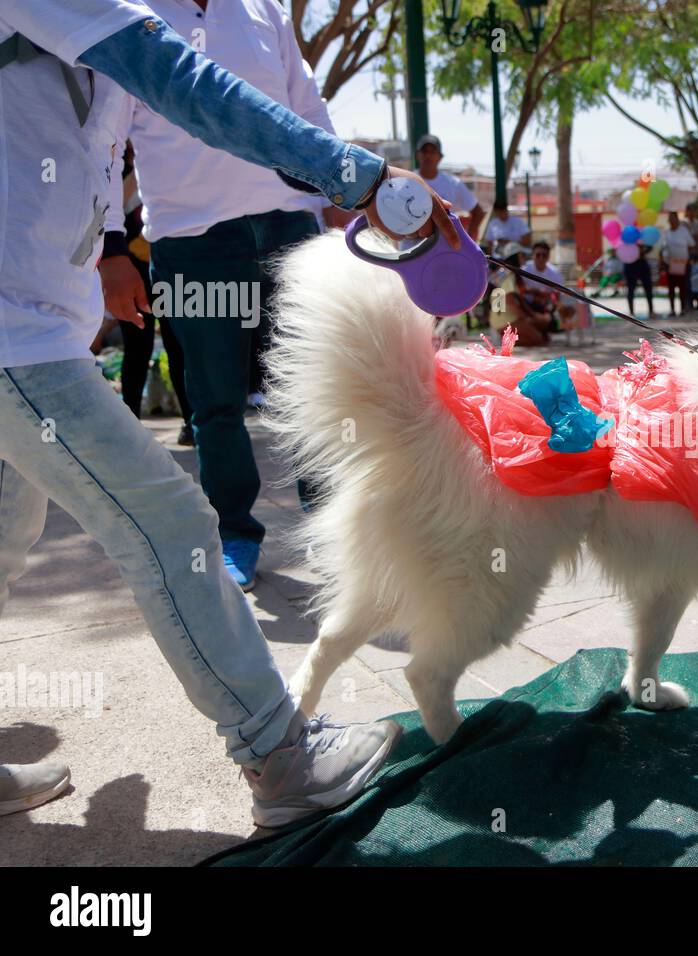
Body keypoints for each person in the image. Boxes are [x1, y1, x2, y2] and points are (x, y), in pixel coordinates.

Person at [0, 0, 461, 825]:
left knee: (1, 535)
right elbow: (181, 83)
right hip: (13, 333)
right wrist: (359, 176)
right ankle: (279, 757)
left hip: (38, 324)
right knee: (168, 521)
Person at [99, 0, 353, 592]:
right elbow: (103, 144)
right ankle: (233, 532)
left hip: (290, 226)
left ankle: (334, 532)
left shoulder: (265, 8)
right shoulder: (128, 16)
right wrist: (113, 250)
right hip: (192, 242)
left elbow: (306, 106)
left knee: (313, 391)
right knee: (215, 403)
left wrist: (343, 190)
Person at [109, 140, 193, 441]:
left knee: (178, 346)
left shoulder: (167, 160)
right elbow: (114, 205)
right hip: (132, 269)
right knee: (137, 347)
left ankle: (190, 423)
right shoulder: (115, 168)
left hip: (169, 263)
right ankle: (129, 426)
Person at [415, 133, 486, 238]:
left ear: (440, 157)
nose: (428, 155)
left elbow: (478, 212)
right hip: (411, 249)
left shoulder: (453, 183)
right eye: (424, 151)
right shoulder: (407, 182)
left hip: (444, 248)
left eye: (432, 151)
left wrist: (468, 242)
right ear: (417, 155)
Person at [491, 243, 552, 346]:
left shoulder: (506, 273)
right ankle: (504, 338)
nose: (524, 258)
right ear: (516, 257)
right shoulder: (509, 275)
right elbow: (510, 300)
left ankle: (508, 336)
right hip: (506, 320)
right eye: (522, 255)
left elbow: (518, 293)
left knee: (543, 329)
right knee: (538, 340)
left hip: (505, 318)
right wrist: (528, 318)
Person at [660, 211, 696, 316]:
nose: (671, 221)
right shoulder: (666, 232)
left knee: (683, 287)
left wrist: (687, 258)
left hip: (683, 264)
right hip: (670, 264)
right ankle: (672, 309)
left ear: (677, 220)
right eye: (670, 219)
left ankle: (683, 308)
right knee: (671, 288)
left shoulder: (684, 231)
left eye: (673, 219)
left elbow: (691, 245)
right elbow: (662, 248)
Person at [520, 240, 563, 318]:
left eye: (544, 255)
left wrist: (547, 296)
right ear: (532, 255)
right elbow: (518, 289)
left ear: (548, 257)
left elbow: (557, 296)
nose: (541, 258)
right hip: (526, 306)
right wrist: (534, 292)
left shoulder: (555, 273)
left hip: (547, 307)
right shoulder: (524, 270)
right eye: (538, 255)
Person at [622, 241, 656, 318]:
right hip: (630, 265)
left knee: (648, 288)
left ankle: (651, 310)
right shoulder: (625, 239)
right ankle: (631, 312)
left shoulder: (641, 237)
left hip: (642, 264)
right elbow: (621, 250)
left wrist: (641, 252)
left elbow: (650, 247)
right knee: (631, 289)